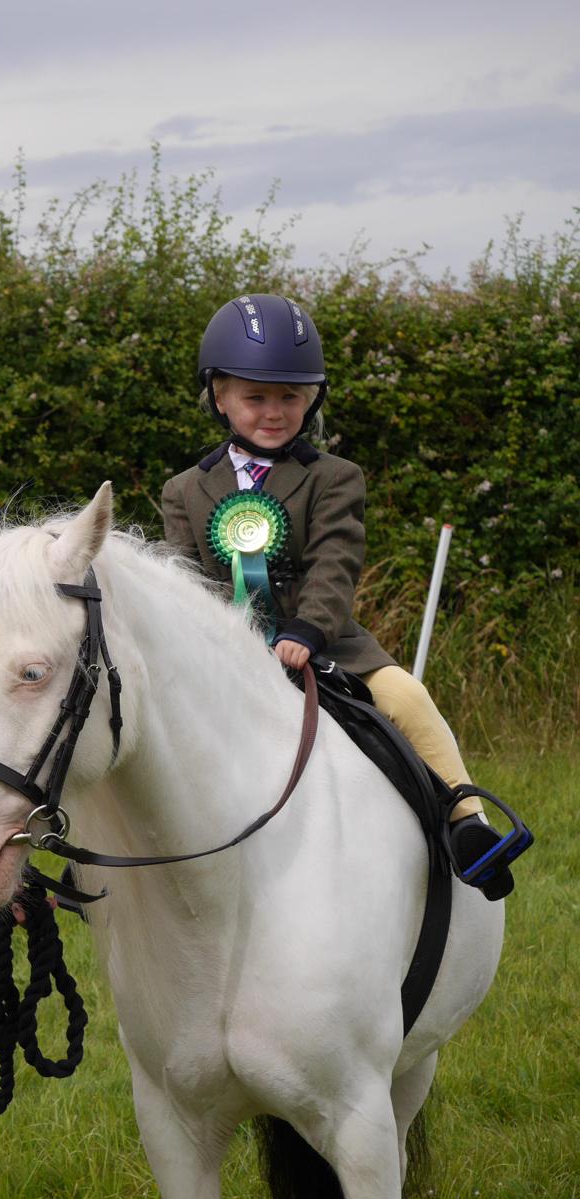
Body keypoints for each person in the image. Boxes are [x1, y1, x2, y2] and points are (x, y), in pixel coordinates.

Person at [161, 292, 516, 899]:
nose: (274, 412)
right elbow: (183, 581)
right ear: (219, 396)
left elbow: (335, 561)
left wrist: (306, 630)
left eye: (290, 397)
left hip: (325, 646)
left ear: (312, 399)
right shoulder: (183, 491)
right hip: (226, 656)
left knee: (405, 694)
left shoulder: (334, 477)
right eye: (256, 397)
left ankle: (467, 822)